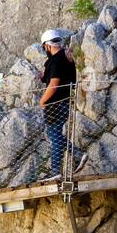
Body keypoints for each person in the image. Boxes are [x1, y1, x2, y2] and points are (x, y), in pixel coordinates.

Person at [38, 28, 77, 176]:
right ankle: (78, 156)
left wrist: (43, 100)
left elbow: (54, 83)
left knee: (54, 137)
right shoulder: (66, 58)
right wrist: (43, 77)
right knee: (56, 135)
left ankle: (55, 171)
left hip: (54, 104)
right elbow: (70, 79)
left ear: (47, 46)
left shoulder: (55, 61)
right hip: (65, 102)